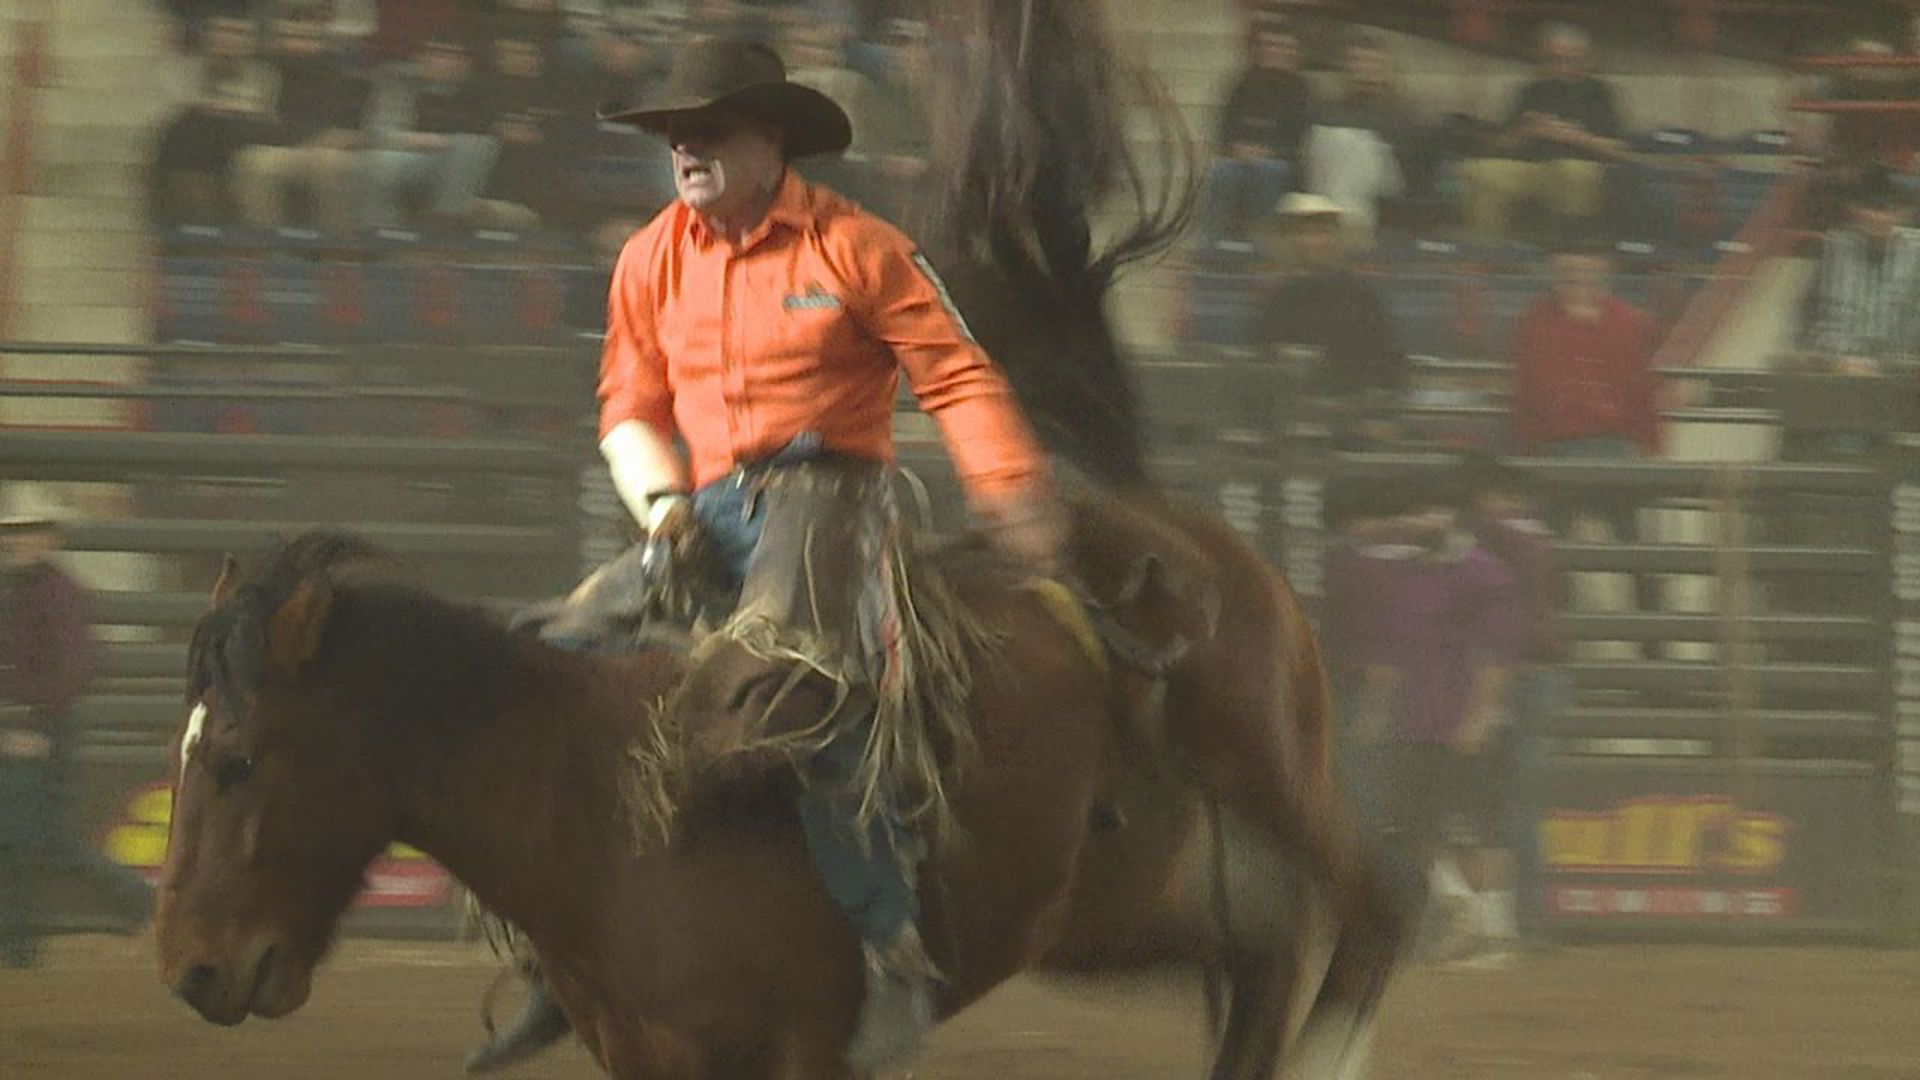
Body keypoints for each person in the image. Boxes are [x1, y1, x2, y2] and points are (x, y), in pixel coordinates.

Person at [464, 37, 1065, 1075]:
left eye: (708, 131)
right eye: (673, 136)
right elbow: (628, 406)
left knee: (811, 694)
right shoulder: (650, 256)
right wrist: (660, 507)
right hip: (698, 509)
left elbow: (956, 376)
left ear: (770, 140)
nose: (685, 150)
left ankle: (891, 955)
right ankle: (551, 967)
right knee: (548, 669)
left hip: (835, 501)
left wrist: (1009, 493)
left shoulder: (859, 248)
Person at [1360, 477, 1522, 965]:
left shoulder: (1483, 574)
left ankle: (1495, 932)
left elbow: (1497, 654)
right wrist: (1375, 712)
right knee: (1412, 831)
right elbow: (1389, 651)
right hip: (1416, 723)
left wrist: (1480, 717)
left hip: (1460, 723)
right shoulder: (1405, 577)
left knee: (1472, 830)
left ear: (1454, 517)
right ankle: (1465, 917)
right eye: (1415, 511)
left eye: (1432, 510)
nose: (1421, 520)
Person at [0, 512, 151, 969]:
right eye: (12, 533)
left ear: (47, 539)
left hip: (37, 731)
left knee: (23, 839)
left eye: (26, 533)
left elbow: (75, 668)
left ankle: (21, 948)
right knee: (38, 838)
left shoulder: (54, 592)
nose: (17, 542)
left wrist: (31, 721)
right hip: (21, 728)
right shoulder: (25, 589)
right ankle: (136, 903)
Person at [1457, 453, 1564, 952]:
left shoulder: (1496, 533)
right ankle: (1528, 921)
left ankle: (1510, 921)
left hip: (1512, 675)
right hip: (1542, 673)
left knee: (1501, 802)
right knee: (1520, 800)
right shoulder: (1538, 535)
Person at [1257, 194, 1408, 447]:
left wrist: (1382, 416)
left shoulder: (1363, 297)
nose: (1311, 242)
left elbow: (1391, 362)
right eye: (1302, 233)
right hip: (1289, 427)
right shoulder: (1276, 301)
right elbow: (1260, 364)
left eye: (1320, 233)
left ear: (1336, 240)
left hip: (1354, 426)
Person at [1460, 22, 1626, 242]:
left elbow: (1620, 150)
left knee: (1571, 171)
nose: (1561, 65)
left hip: (1581, 165)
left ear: (1584, 59)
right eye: (1553, 59)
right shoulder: (1529, 91)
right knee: (1482, 171)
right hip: (1531, 167)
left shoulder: (1600, 93)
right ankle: (1485, 249)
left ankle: (1569, 249)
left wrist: (1576, 137)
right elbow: (1497, 146)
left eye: (1569, 59)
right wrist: (1524, 131)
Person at [233, 1, 373, 232]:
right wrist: (310, 140)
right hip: (284, 148)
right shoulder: (265, 73)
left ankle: (337, 251)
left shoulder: (341, 79)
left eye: (307, 38)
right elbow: (256, 124)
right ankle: (268, 248)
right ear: (279, 39)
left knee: (328, 163)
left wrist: (332, 141)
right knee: (252, 162)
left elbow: (353, 130)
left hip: (330, 152)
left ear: (321, 41)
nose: (299, 44)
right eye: (291, 36)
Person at [361, 34, 499, 228]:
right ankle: (378, 235)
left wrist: (447, 144)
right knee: (380, 161)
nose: (446, 62)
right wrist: (423, 140)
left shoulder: (476, 93)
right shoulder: (400, 81)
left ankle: (443, 223)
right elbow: (379, 134)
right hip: (402, 156)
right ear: (422, 57)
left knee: (478, 145)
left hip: (453, 164)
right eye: (438, 54)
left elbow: (482, 141)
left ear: (466, 63)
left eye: (455, 57)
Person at [1198, 12, 1311, 246]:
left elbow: (1300, 140)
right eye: (1269, 45)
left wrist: (1266, 152)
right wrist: (1236, 149)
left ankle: (1262, 244)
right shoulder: (1241, 85)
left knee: (1267, 172)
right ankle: (1212, 245)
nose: (1274, 51)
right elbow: (1225, 130)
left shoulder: (1301, 90)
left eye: (1280, 46)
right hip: (1240, 160)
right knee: (1222, 171)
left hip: (1280, 162)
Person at [1302, 32, 1425, 242]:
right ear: (1347, 66)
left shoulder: (1402, 109)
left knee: (1360, 146)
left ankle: (1338, 225)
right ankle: (1343, 223)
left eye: (1373, 61)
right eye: (1358, 61)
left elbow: (1411, 156)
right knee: (1326, 135)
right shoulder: (1333, 106)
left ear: (1386, 67)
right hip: (1336, 180)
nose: (1366, 67)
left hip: (1389, 180)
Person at [1798, 164, 1920, 369]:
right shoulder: (1833, 249)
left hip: (1901, 374)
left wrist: (1887, 366)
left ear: (1904, 212)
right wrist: (1838, 362)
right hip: (1838, 369)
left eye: (1888, 209)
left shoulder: (1917, 253)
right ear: (1853, 210)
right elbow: (1810, 323)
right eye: (1869, 207)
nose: (1878, 217)